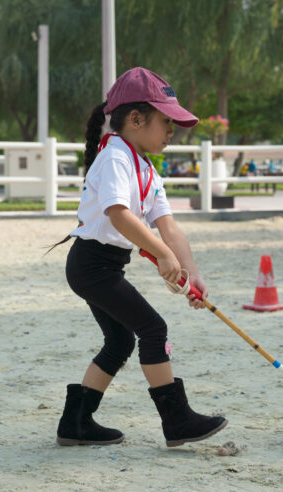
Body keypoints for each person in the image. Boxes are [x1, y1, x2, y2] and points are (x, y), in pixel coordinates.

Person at [49, 67, 227, 448]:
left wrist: (190, 271)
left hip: (103, 266)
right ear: (135, 119)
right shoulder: (114, 157)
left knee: (120, 342)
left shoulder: (145, 168)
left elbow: (169, 227)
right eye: (166, 121)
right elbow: (118, 214)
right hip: (91, 265)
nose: (171, 131)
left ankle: (76, 421)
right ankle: (177, 421)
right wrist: (163, 256)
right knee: (152, 329)